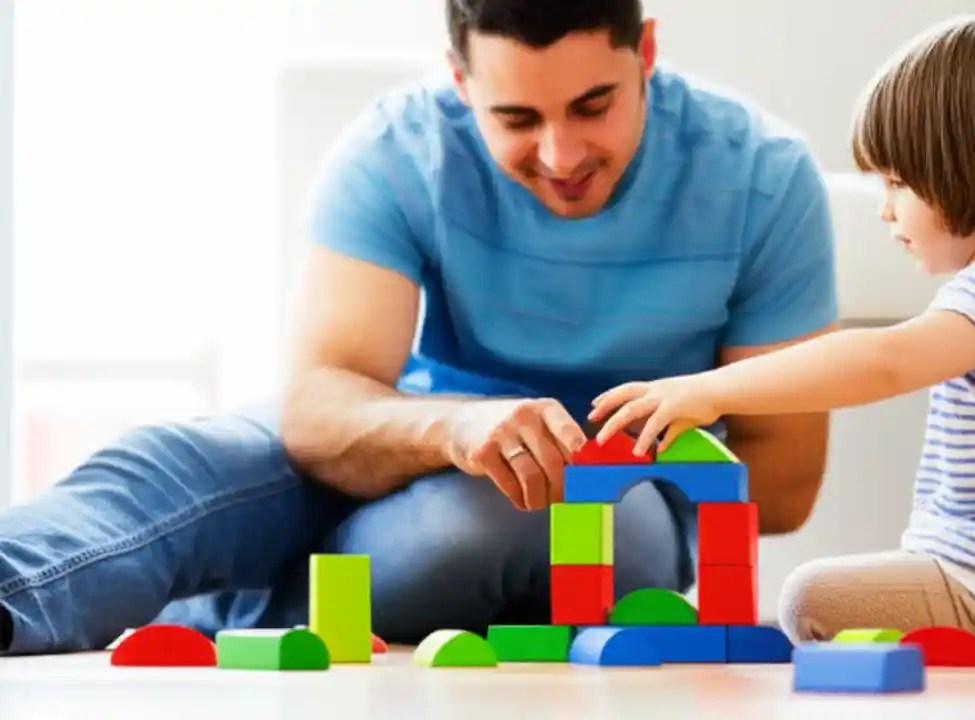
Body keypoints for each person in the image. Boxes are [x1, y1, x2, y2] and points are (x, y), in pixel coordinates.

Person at [0, 0, 837, 654]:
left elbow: (786, 482)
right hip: (409, 438)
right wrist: (456, 428)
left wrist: (595, 458)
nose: (560, 154)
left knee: (478, 528)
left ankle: (228, 611)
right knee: (174, 465)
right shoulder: (399, 149)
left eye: (593, 105)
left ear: (645, 54)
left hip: (614, 501)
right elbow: (319, 409)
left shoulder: (762, 176)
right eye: (515, 119)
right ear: (460, 81)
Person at [590, 15, 975, 664]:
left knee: (808, 598)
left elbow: (884, 362)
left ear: (973, 172)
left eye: (898, 183)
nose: (885, 209)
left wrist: (710, 390)